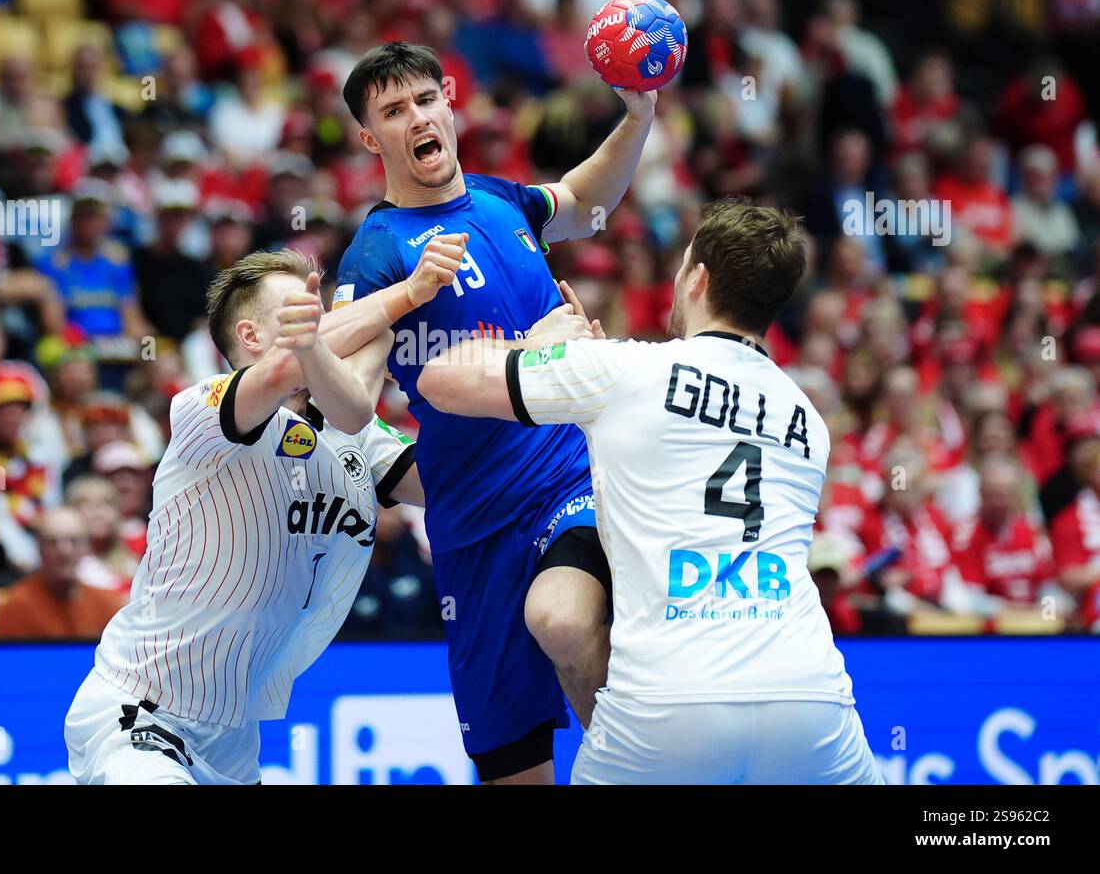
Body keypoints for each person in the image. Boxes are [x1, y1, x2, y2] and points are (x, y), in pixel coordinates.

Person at [419, 198, 884, 784]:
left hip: (671, 700)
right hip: (809, 697)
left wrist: (541, 343)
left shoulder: (628, 370)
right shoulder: (807, 418)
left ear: (698, 279)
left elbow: (441, 381)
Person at [332, 41, 653, 782]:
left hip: (568, 481)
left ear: (448, 103)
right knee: (514, 769)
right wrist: (412, 299)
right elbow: (348, 396)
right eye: (393, 111)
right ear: (369, 138)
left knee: (565, 620)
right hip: (470, 526)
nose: (416, 117)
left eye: (423, 100)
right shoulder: (379, 252)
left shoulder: (500, 200)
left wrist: (639, 114)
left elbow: (584, 201)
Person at [64, 241, 463, 785]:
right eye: (299, 314)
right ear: (249, 336)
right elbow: (282, 371)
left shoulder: (356, 439)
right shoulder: (200, 411)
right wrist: (409, 293)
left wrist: (530, 382)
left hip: (235, 733)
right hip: (138, 708)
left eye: (318, 312)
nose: (319, 326)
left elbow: (456, 484)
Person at [0, 506, 124, 639]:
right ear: (39, 548)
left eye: (74, 541)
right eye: (53, 542)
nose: (64, 551)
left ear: (86, 547)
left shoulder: (107, 605)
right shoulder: (17, 608)